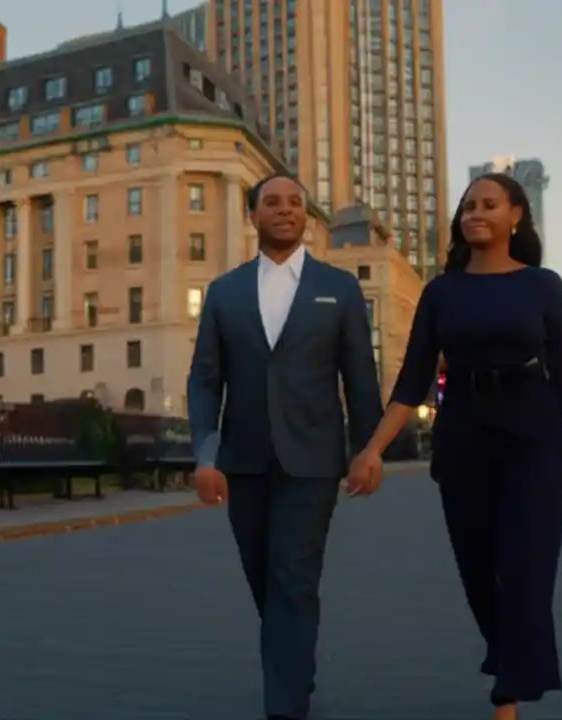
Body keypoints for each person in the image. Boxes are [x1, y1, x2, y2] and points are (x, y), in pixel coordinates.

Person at [348, 173, 562, 720]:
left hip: (536, 437)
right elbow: (411, 382)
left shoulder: (543, 285)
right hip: (465, 436)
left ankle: (507, 694)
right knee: (478, 570)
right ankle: (509, 663)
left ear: (515, 215)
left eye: (489, 204)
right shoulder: (442, 291)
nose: (475, 213)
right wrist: (372, 448)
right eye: (468, 205)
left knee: (524, 568)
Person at [186, 173, 385, 720]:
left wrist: (368, 451)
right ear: (253, 216)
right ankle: (295, 666)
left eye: (295, 202)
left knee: (293, 576)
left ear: (306, 218)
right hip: (243, 461)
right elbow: (205, 380)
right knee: (264, 579)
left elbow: (359, 376)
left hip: (313, 461)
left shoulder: (338, 288)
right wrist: (205, 453)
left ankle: (286, 704)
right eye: (272, 202)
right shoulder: (224, 292)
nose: (285, 209)